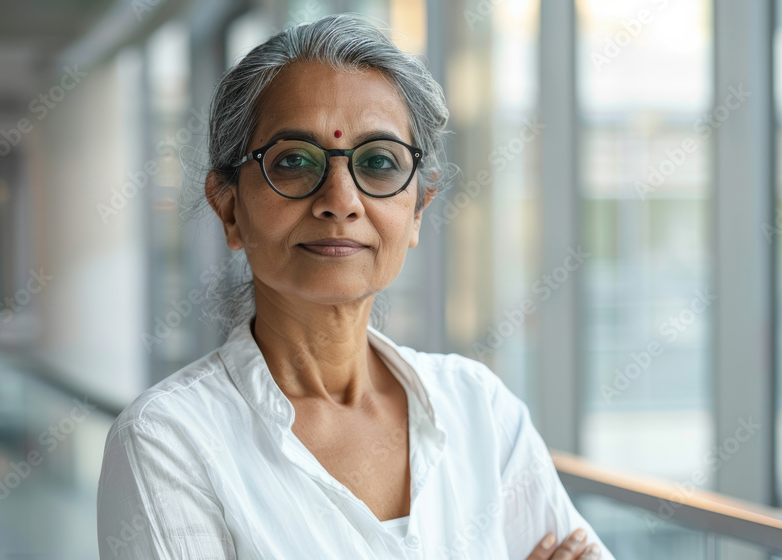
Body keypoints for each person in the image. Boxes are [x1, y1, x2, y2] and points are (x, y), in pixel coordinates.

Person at [96, 14, 614, 560]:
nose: (340, 199)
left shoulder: (479, 410)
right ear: (229, 209)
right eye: (294, 161)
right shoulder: (169, 441)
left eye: (379, 162)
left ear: (416, 213)